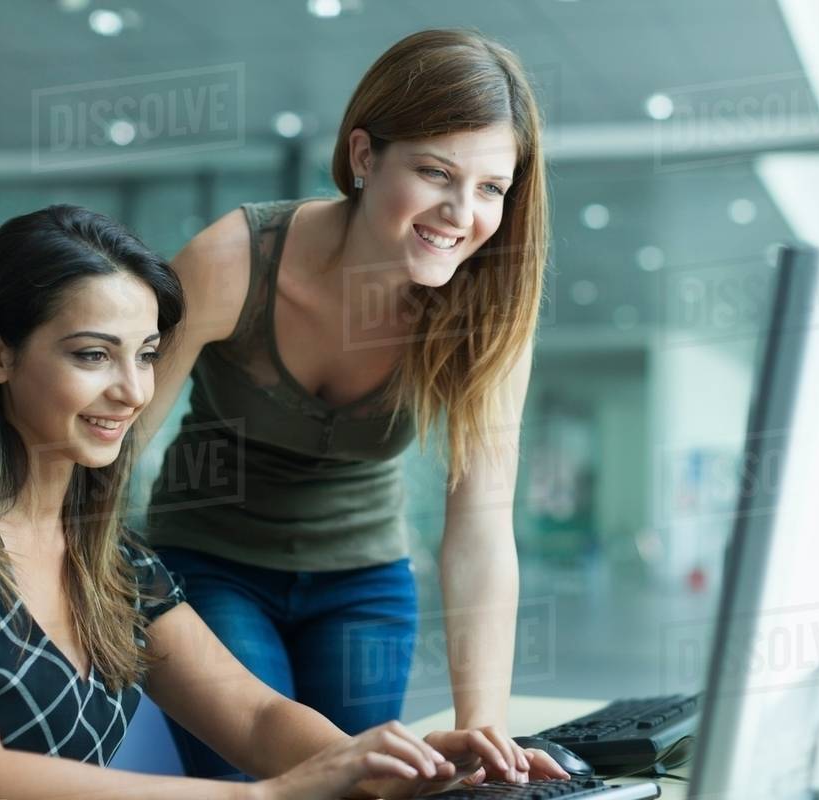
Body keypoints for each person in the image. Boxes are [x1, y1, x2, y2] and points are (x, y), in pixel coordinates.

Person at [0, 205, 567, 799]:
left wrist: (408, 771)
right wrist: (263, 797)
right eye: (93, 354)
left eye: (148, 353)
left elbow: (253, 717)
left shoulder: (107, 557)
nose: (132, 389)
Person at [138, 28, 548, 781]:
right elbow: (116, 441)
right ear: (364, 157)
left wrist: (485, 730)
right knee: (261, 779)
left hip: (363, 576)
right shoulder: (233, 261)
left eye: (491, 188)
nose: (462, 213)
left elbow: (482, 527)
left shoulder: (487, 308)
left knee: (369, 787)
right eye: (435, 173)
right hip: (211, 560)